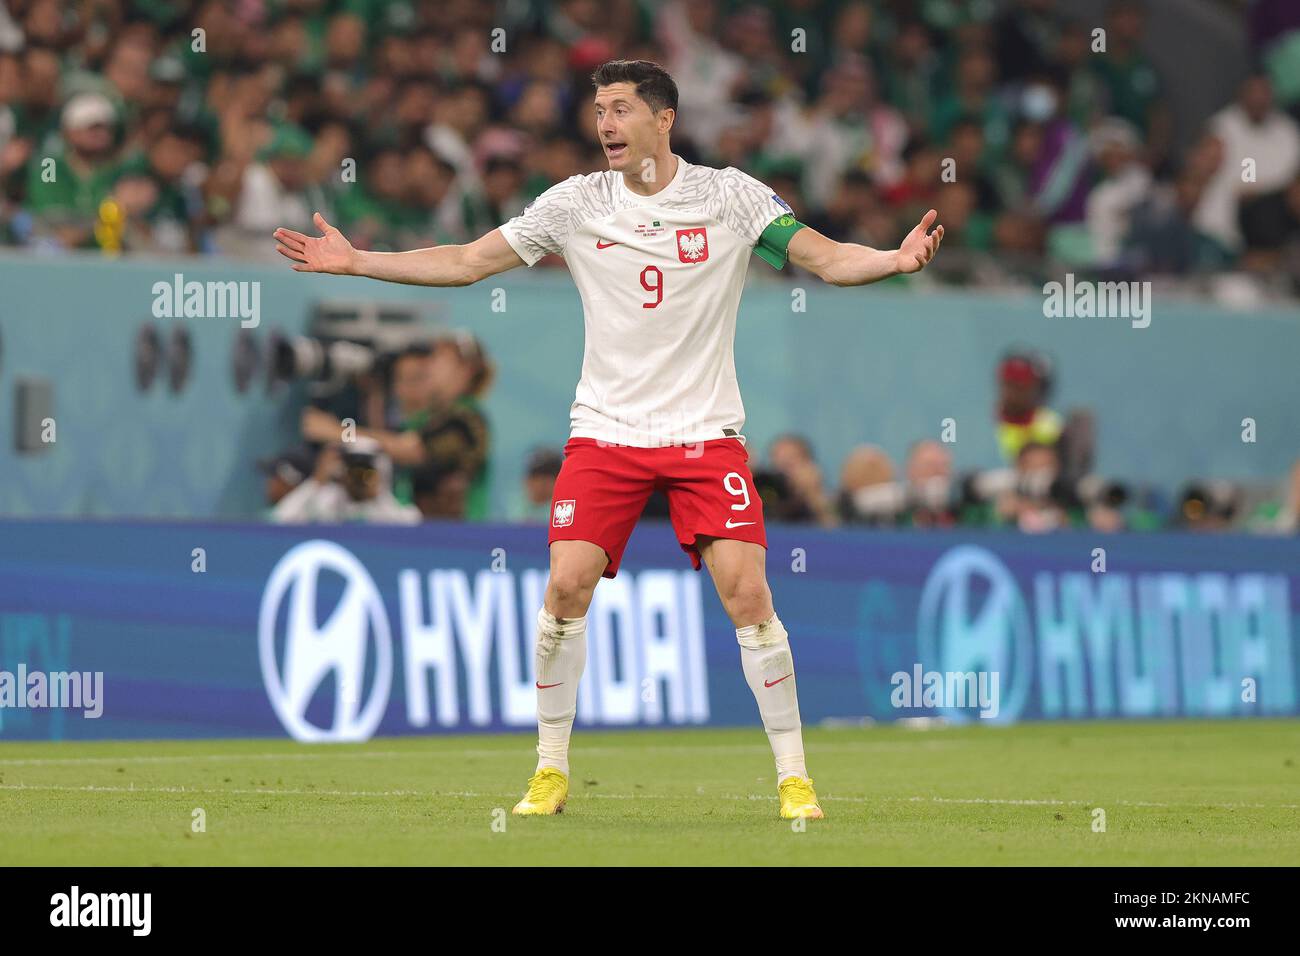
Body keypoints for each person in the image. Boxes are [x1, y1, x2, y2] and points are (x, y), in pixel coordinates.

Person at [273, 59, 943, 820]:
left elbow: (825, 257)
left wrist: (892, 259)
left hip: (702, 434)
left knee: (749, 592)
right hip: (607, 434)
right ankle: (549, 772)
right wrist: (359, 261)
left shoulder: (730, 195)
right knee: (564, 586)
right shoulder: (575, 203)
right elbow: (465, 262)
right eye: (599, 111)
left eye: (621, 109)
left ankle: (794, 778)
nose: (606, 125)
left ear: (665, 119)